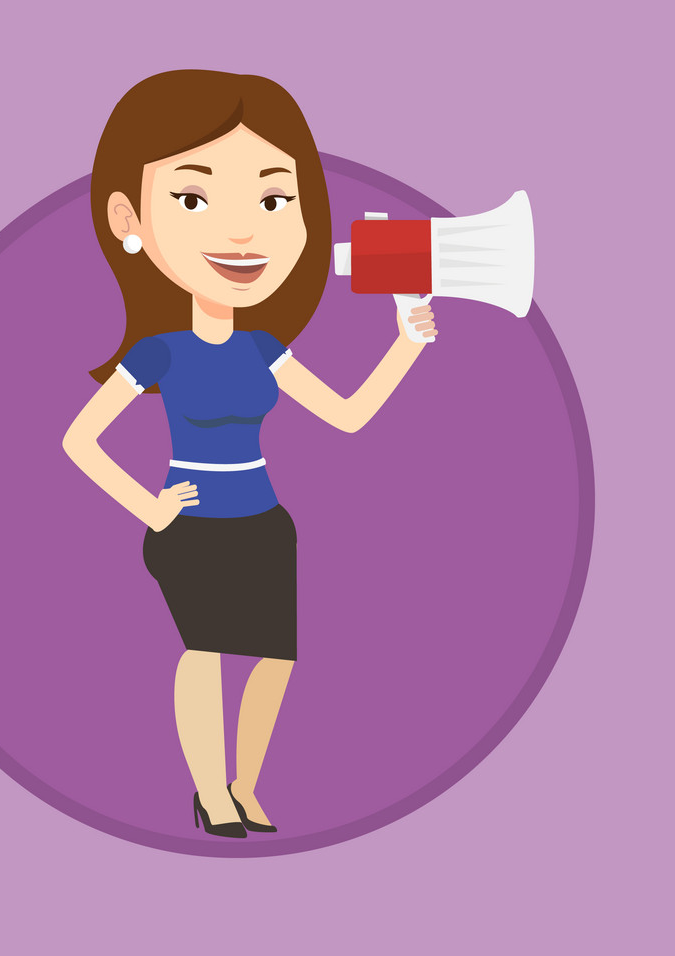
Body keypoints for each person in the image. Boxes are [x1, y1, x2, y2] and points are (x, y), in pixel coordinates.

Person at [62, 70, 435, 837]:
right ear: (131, 220)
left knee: (274, 660)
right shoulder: (157, 354)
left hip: (266, 521)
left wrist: (406, 345)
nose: (242, 234)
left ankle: (248, 788)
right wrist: (149, 505)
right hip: (191, 528)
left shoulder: (265, 347)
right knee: (206, 651)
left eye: (273, 202)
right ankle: (210, 793)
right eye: (193, 200)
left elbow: (349, 415)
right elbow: (80, 438)